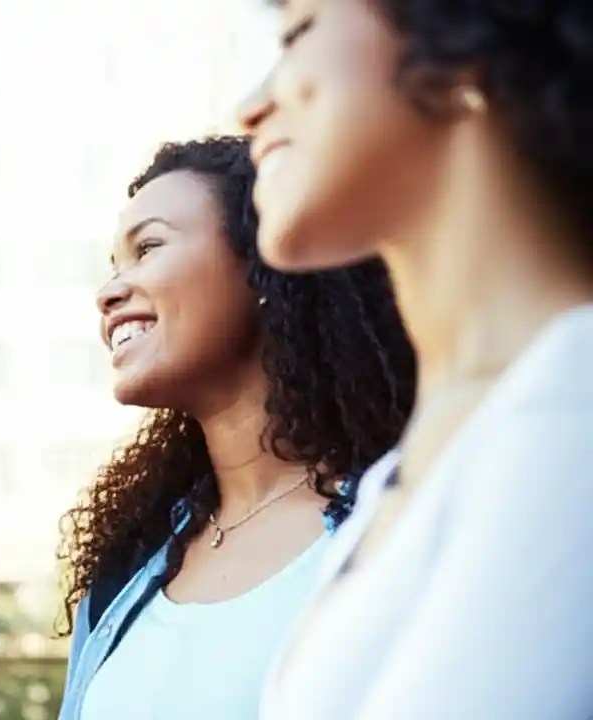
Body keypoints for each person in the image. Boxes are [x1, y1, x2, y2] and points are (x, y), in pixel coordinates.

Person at [240, 1, 593, 717]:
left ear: (464, 39)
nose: (249, 106)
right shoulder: (399, 480)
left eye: (301, 31)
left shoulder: (573, 418)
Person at [57, 136, 415, 719]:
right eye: (113, 267)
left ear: (264, 266)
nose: (110, 292)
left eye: (148, 247)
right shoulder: (127, 564)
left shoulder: (393, 529)